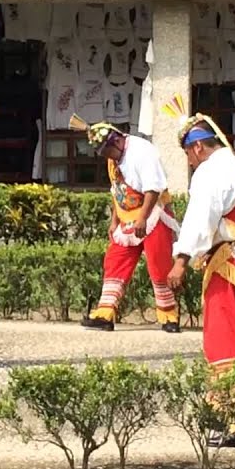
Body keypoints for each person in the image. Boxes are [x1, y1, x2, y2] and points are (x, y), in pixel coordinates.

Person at [163, 95, 235, 449]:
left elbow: (200, 219)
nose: (188, 161)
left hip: (228, 263)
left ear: (198, 148)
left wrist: (181, 260)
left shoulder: (210, 173)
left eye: (187, 153)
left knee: (222, 341)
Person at [69, 114, 180, 333]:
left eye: (107, 151)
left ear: (117, 141)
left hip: (152, 214)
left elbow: (153, 188)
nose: (106, 157)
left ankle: (169, 316)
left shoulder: (142, 152)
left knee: (159, 266)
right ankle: (105, 314)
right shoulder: (114, 157)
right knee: (115, 262)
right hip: (126, 216)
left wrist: (142, 218)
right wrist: (114, 220)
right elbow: (117, 189)